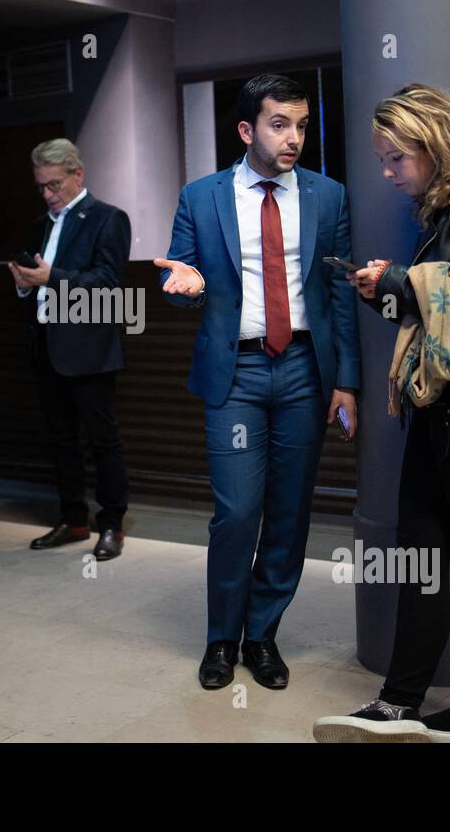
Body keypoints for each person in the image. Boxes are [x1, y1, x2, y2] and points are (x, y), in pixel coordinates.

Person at [313, 83, 450, 742]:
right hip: (440, 403)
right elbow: (431, 311)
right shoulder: (442, 218)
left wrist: (395, 281)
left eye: (395, 158)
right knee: (417, 553)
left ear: (435, 147)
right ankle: (398, 702)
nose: (387, 173)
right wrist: (381, 290)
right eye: (383, 159)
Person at [155, 74, 360, 692]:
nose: (294, 137)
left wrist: (346, 380)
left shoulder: (328, 197)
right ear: (247, 130)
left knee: (290, 512)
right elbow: (181, 270)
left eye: (300, 124)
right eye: (279, 124)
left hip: (304, 369)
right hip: (236, 371)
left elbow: (338, 296)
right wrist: (185, 288)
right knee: (237, 512)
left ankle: (262, 636)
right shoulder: (201, 196)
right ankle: (221, 637)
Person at [7, 139, 132, 561]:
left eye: (54, 185)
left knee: (102, 440)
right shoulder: (39, 225)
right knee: (60, 439)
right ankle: (73, 519)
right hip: (46, 344)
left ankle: (112, 523)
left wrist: (50, 277)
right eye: (41, 186)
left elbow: (108, 284)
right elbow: (37, 285)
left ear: (79, 174)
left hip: (89, 347)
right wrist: (25, 285)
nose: (47, 194)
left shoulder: (108, 219)